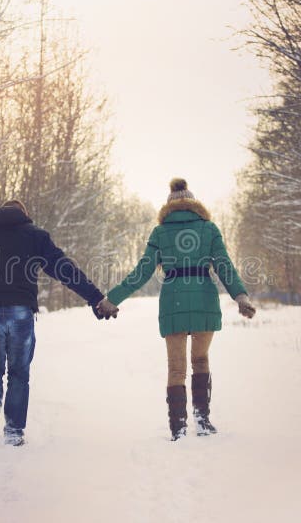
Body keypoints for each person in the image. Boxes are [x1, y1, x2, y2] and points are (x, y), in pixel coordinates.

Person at [95, 179, 255, 440]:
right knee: (201, 360)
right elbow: (224, 265)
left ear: (169, 207)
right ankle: (202, 422)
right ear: (194, 204)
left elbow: (142, 272)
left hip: (174, 300)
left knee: (176, 368)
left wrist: (112, 299)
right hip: (204, 298)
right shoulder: (209, 228)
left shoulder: (160, 233)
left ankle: (178, 427)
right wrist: (240, 296)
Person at [0, 199, 116, 449]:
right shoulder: (34, 236)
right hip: (20, 313)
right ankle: (14, 431)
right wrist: (96, 298)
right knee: (19, 373)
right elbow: (64, 269)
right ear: (23, 214)